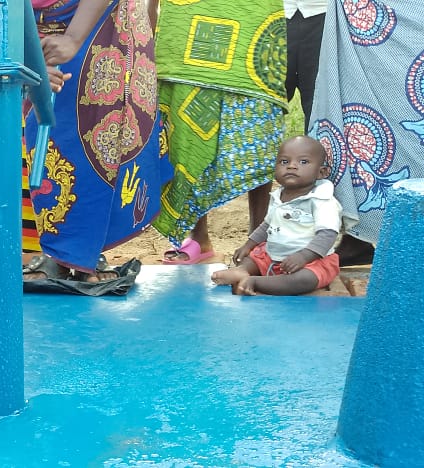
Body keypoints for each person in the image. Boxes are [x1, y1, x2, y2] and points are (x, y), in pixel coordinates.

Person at [20, 0, 171, 281]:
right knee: (52, 140)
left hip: (100, 21)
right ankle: (65, 253)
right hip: (30, 25)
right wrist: (26, 57)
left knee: (94, 136)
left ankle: (82, 254)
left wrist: (73, 38)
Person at [150, 0, 287, 265]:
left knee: (257, 133)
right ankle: (198, 236)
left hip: (253, 19)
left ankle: (259, 238)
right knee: (186, 128)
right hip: (186, 18)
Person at [309, 0, 420, 267]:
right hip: (364, 15)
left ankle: (410, 233)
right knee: (354, 105)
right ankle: (357, 237)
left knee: (412, 108)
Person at [211, 136, 342, 295]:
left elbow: (327, 234)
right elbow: (267, 225)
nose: (292, 166)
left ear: (321, 172)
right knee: (254, 257)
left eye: (303, 162)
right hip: (273, 255)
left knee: (305, 279)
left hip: (312, 260)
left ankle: (256, 282)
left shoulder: (322, 200)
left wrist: (303, 257)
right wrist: (248, 245)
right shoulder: (278, 195)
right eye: (284, 162)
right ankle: (243, 271)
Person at [284, 0, 327, 133]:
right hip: (277, 14)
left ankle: (316, 144)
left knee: (317, 100)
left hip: (323, 15)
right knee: (271, 95)